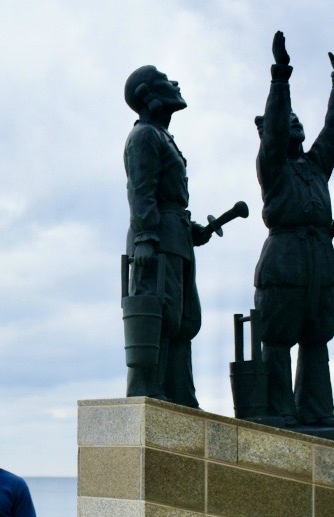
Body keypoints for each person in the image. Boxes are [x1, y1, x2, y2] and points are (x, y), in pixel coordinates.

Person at [253, 31, 334, 427]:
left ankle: (316, 411)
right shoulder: (273, 167)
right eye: (289, 120)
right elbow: (276, 128)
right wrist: (280, 77)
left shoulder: (315, 167)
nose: (295, 122)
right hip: (284, 261)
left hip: (319, 261)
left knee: (317, 339)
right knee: (276, 340)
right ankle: (278, 411)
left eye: (298, 119)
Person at [122, 64, 214, 407]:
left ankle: (180, 394)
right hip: (156, 241)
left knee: (181, 321)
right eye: (164, 79)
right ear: (148, 95)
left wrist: (190, 231)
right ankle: (148, 392)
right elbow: (141, 191)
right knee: (155, 318)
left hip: (175, 239)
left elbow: (166, 197)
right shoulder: (143, 135)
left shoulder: (161, 137)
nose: (173, 82)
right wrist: (146, 237)